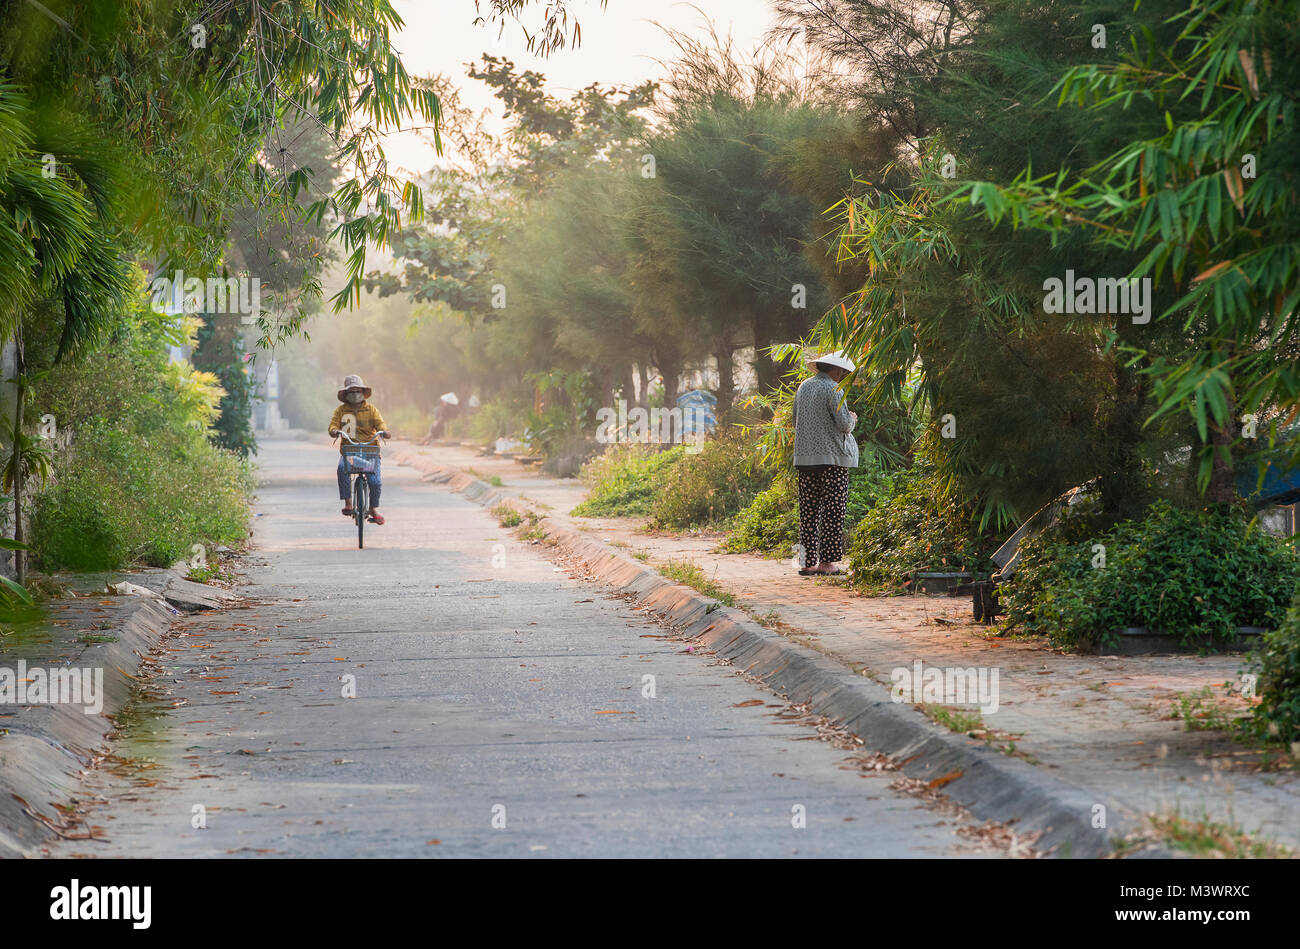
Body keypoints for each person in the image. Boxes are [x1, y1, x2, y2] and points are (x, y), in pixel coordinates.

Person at [790, 351, 858, 575]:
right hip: (832, 460)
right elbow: (844, 425)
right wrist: (854, 419)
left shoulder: (803, 387)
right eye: (844, 373)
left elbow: (795, 420)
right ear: (837, 370)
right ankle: (827, 563)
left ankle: (807, 563)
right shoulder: (834, 389)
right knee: (833, 510)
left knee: (808, 511)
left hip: (805, 458)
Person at [328, 374, 390, 524]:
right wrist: (335, 430)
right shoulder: (340, 411)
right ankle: (348, 503)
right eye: (351, 391)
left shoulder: (371, 410)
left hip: (370, 452)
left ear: (363, 392)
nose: (355, 394)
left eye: (357, 391)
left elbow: (380, 424)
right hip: (349, 451)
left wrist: (384, 431)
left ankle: (373, 509)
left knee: (375, 482)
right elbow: (333, 425)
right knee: (342, 469)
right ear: (346, 394)